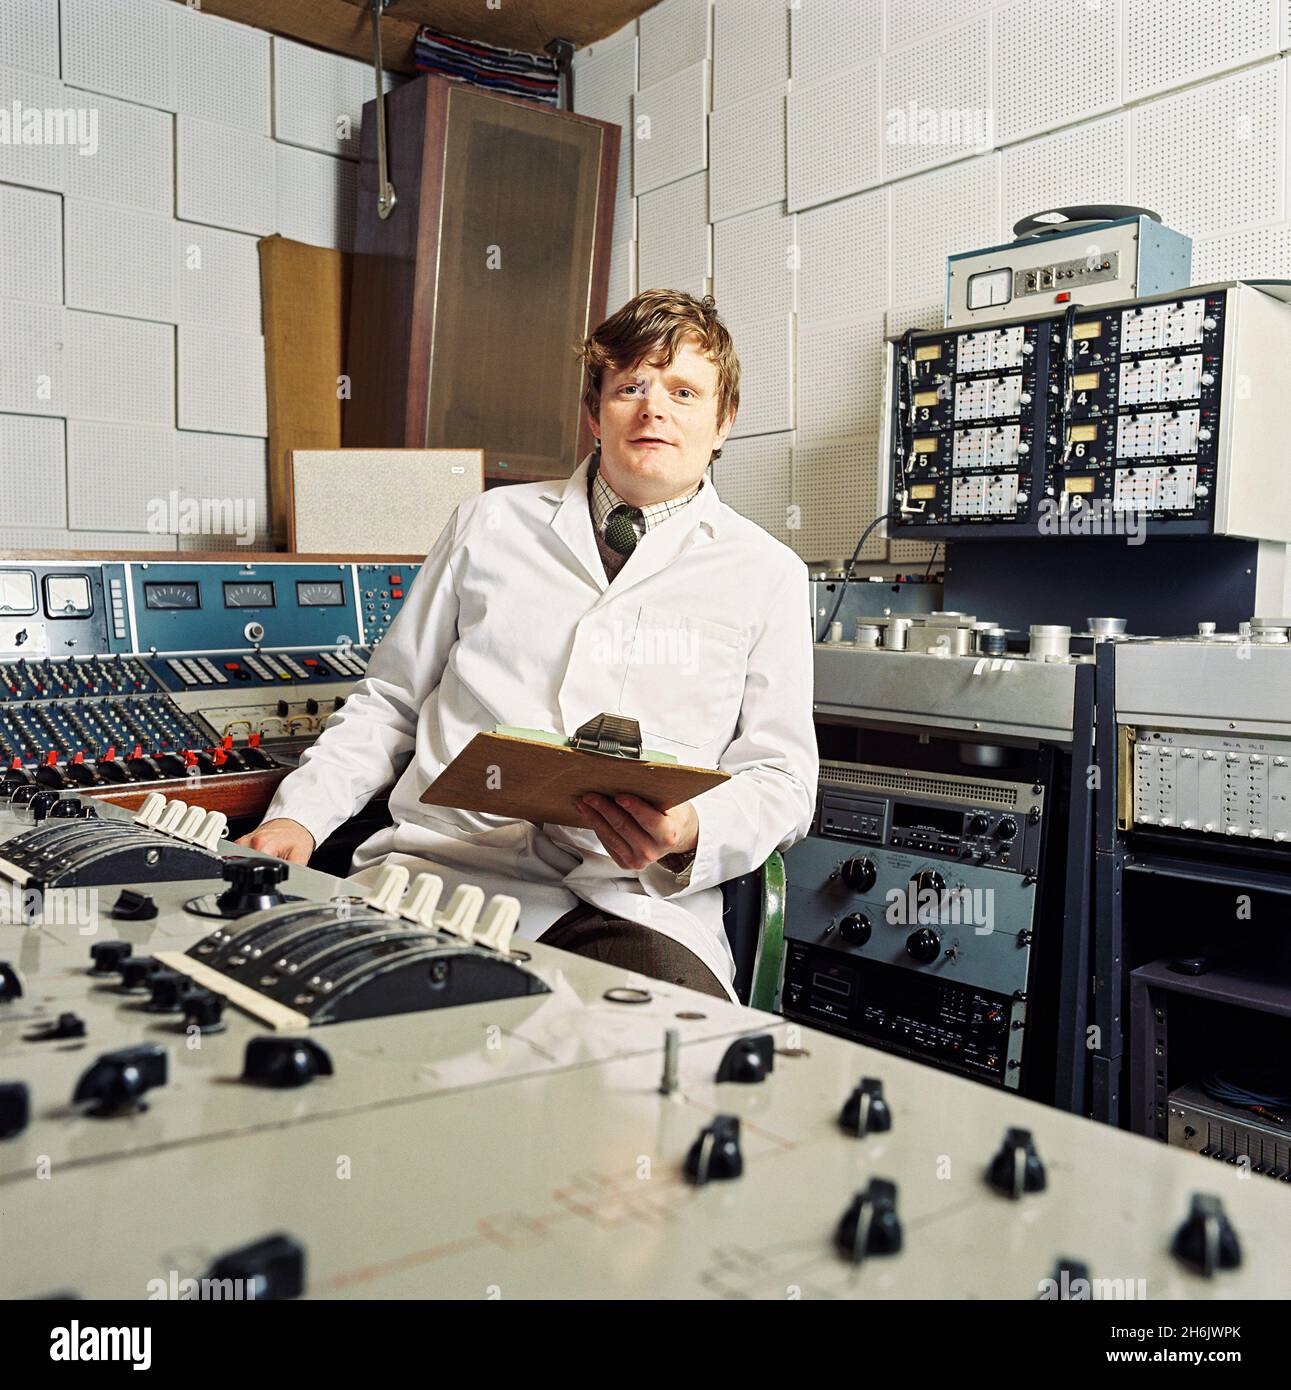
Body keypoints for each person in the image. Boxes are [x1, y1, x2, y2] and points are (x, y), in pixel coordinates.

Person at [237, 289, 818, 999]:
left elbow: (782, 778)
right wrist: (299, 814)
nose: (653, 408)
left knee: (658, 1069)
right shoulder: (487, 524)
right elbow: (390, 702)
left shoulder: (766, 573)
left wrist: (691, 828)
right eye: (629, 385)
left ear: (723, 421)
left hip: (630, 901)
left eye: (683, 391)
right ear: (594, 412)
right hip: (445, 869)